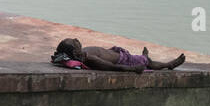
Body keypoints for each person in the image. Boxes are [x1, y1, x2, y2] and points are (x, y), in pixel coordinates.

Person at [51, 38, 184, 73]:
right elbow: (109, 66)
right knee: (147, 61)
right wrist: (131, 69)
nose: (76, 39)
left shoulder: (84, 54)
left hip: (115, 53)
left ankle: (143, 56)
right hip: (124, 60)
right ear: (75, 52)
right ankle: (169, 64)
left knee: (143, 58)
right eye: (75, 42)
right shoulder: (89, 58)